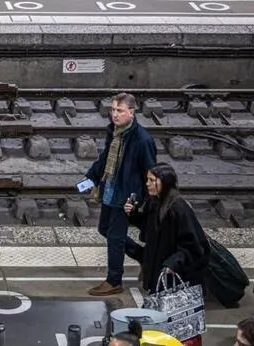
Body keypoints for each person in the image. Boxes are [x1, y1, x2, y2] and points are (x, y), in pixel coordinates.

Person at [83, 92, 157, 296]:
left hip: (125, 196)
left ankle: (114, 280)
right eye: (113, 110)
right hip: (110, 188)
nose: (115, 115)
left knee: (115, 237)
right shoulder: (115, 133)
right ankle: (142, 256)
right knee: (105, 229)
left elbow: (150, 175)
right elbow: (105, 159)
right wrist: (90, 178)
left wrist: (136, 200)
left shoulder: (142, 140)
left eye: (120, 111)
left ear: (131, 113)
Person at [123, 163, 210, 293]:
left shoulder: (178, 209)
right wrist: (133, 214)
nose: (147, 184)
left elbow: (192, 245)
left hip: (173, 271)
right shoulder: (154, 202)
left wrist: (174, 263)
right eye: (147, 180)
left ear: (164, 182)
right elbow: (148, 227)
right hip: (159, 266)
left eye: (152, 180)